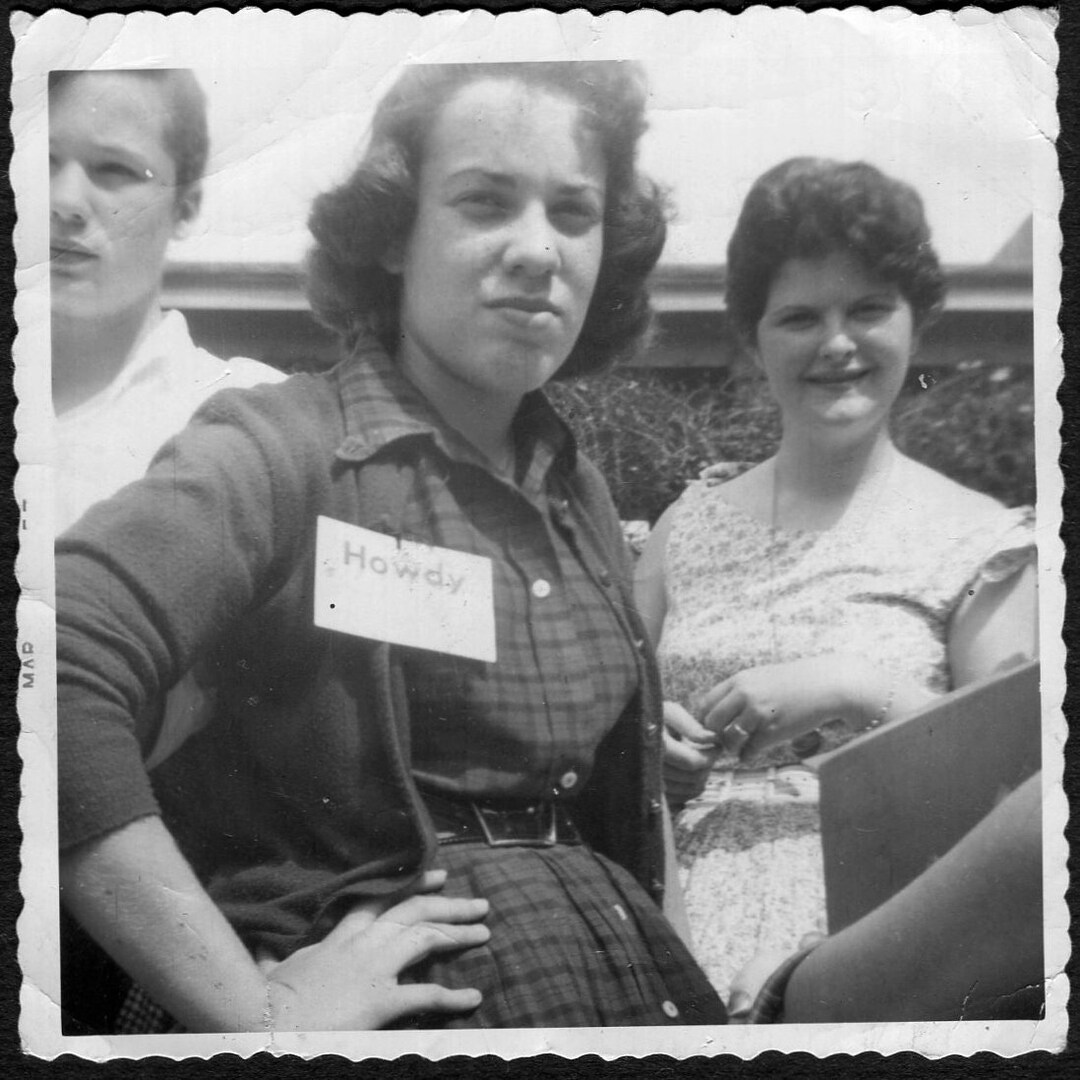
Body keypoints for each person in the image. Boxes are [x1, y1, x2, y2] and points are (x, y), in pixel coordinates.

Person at [56, 60, 728, 1032]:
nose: (538, 250)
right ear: (395, 235)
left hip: (615, 989)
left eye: (575, 214)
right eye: (485, 201)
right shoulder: (282, 447)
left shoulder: (575, 487)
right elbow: (47, 666)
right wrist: (258, 1015)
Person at [634, 157, 1038, 1001]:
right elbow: (603, 729)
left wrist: (858, 689)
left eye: (868, 308)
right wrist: (650, 752)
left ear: (916, 325)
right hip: (663, 929)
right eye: (799, 317)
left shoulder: (984, 544)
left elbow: (1022, 797)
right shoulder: (684, 526)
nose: (838, 343)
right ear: (752, 342)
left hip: (878, 949)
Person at [49, 68, 285, 535]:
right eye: (40, 163)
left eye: (114, 169)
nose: (62, 200)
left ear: (186, 207)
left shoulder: (255, 424)